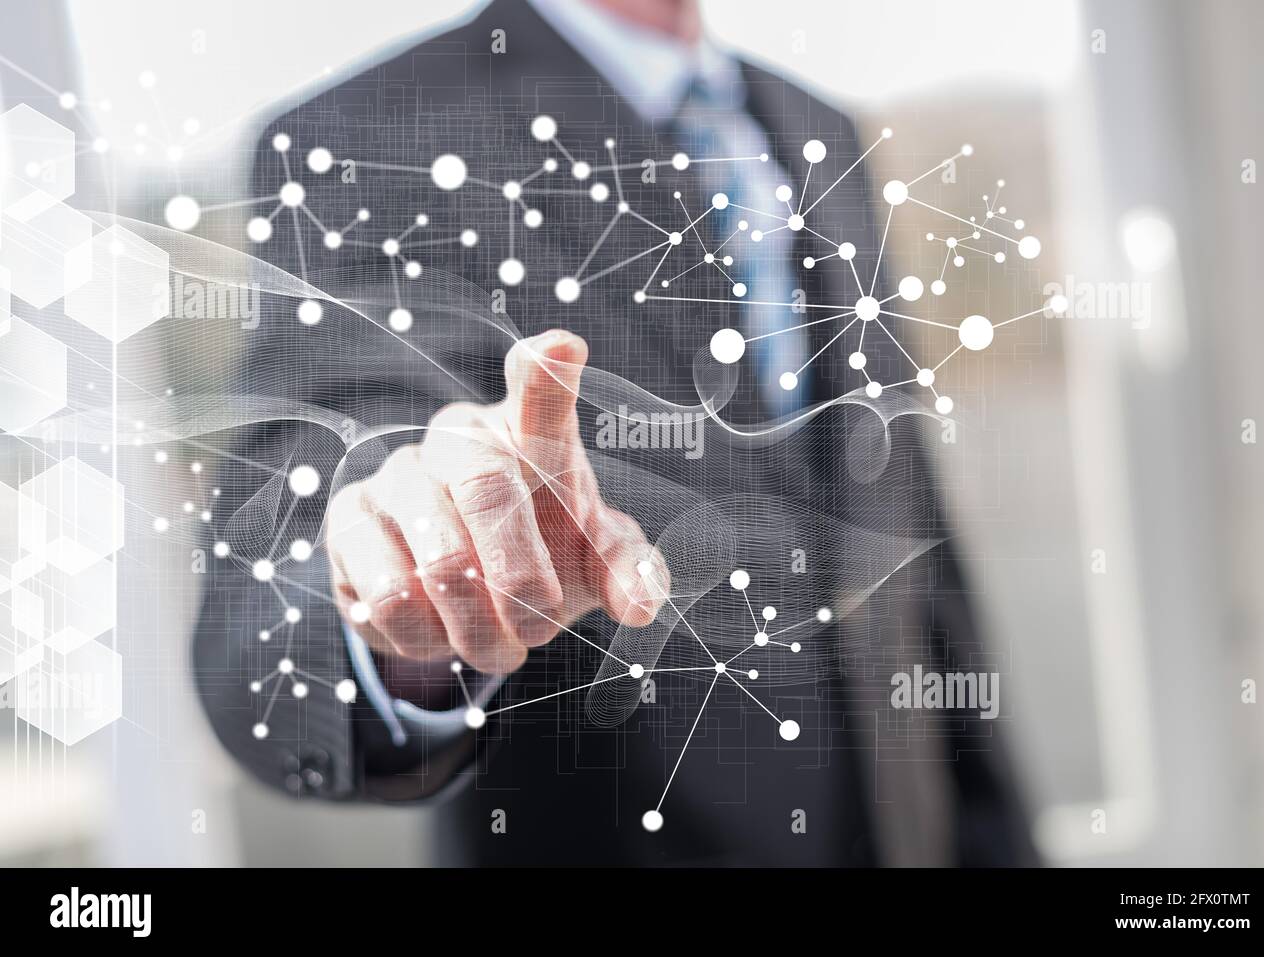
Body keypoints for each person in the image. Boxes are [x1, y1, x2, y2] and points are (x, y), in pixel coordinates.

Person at [194, 0, 1037, 866]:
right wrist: (402, 570)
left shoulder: (820, 130)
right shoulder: (369, 132)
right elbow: (275, 588)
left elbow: (916, 559)